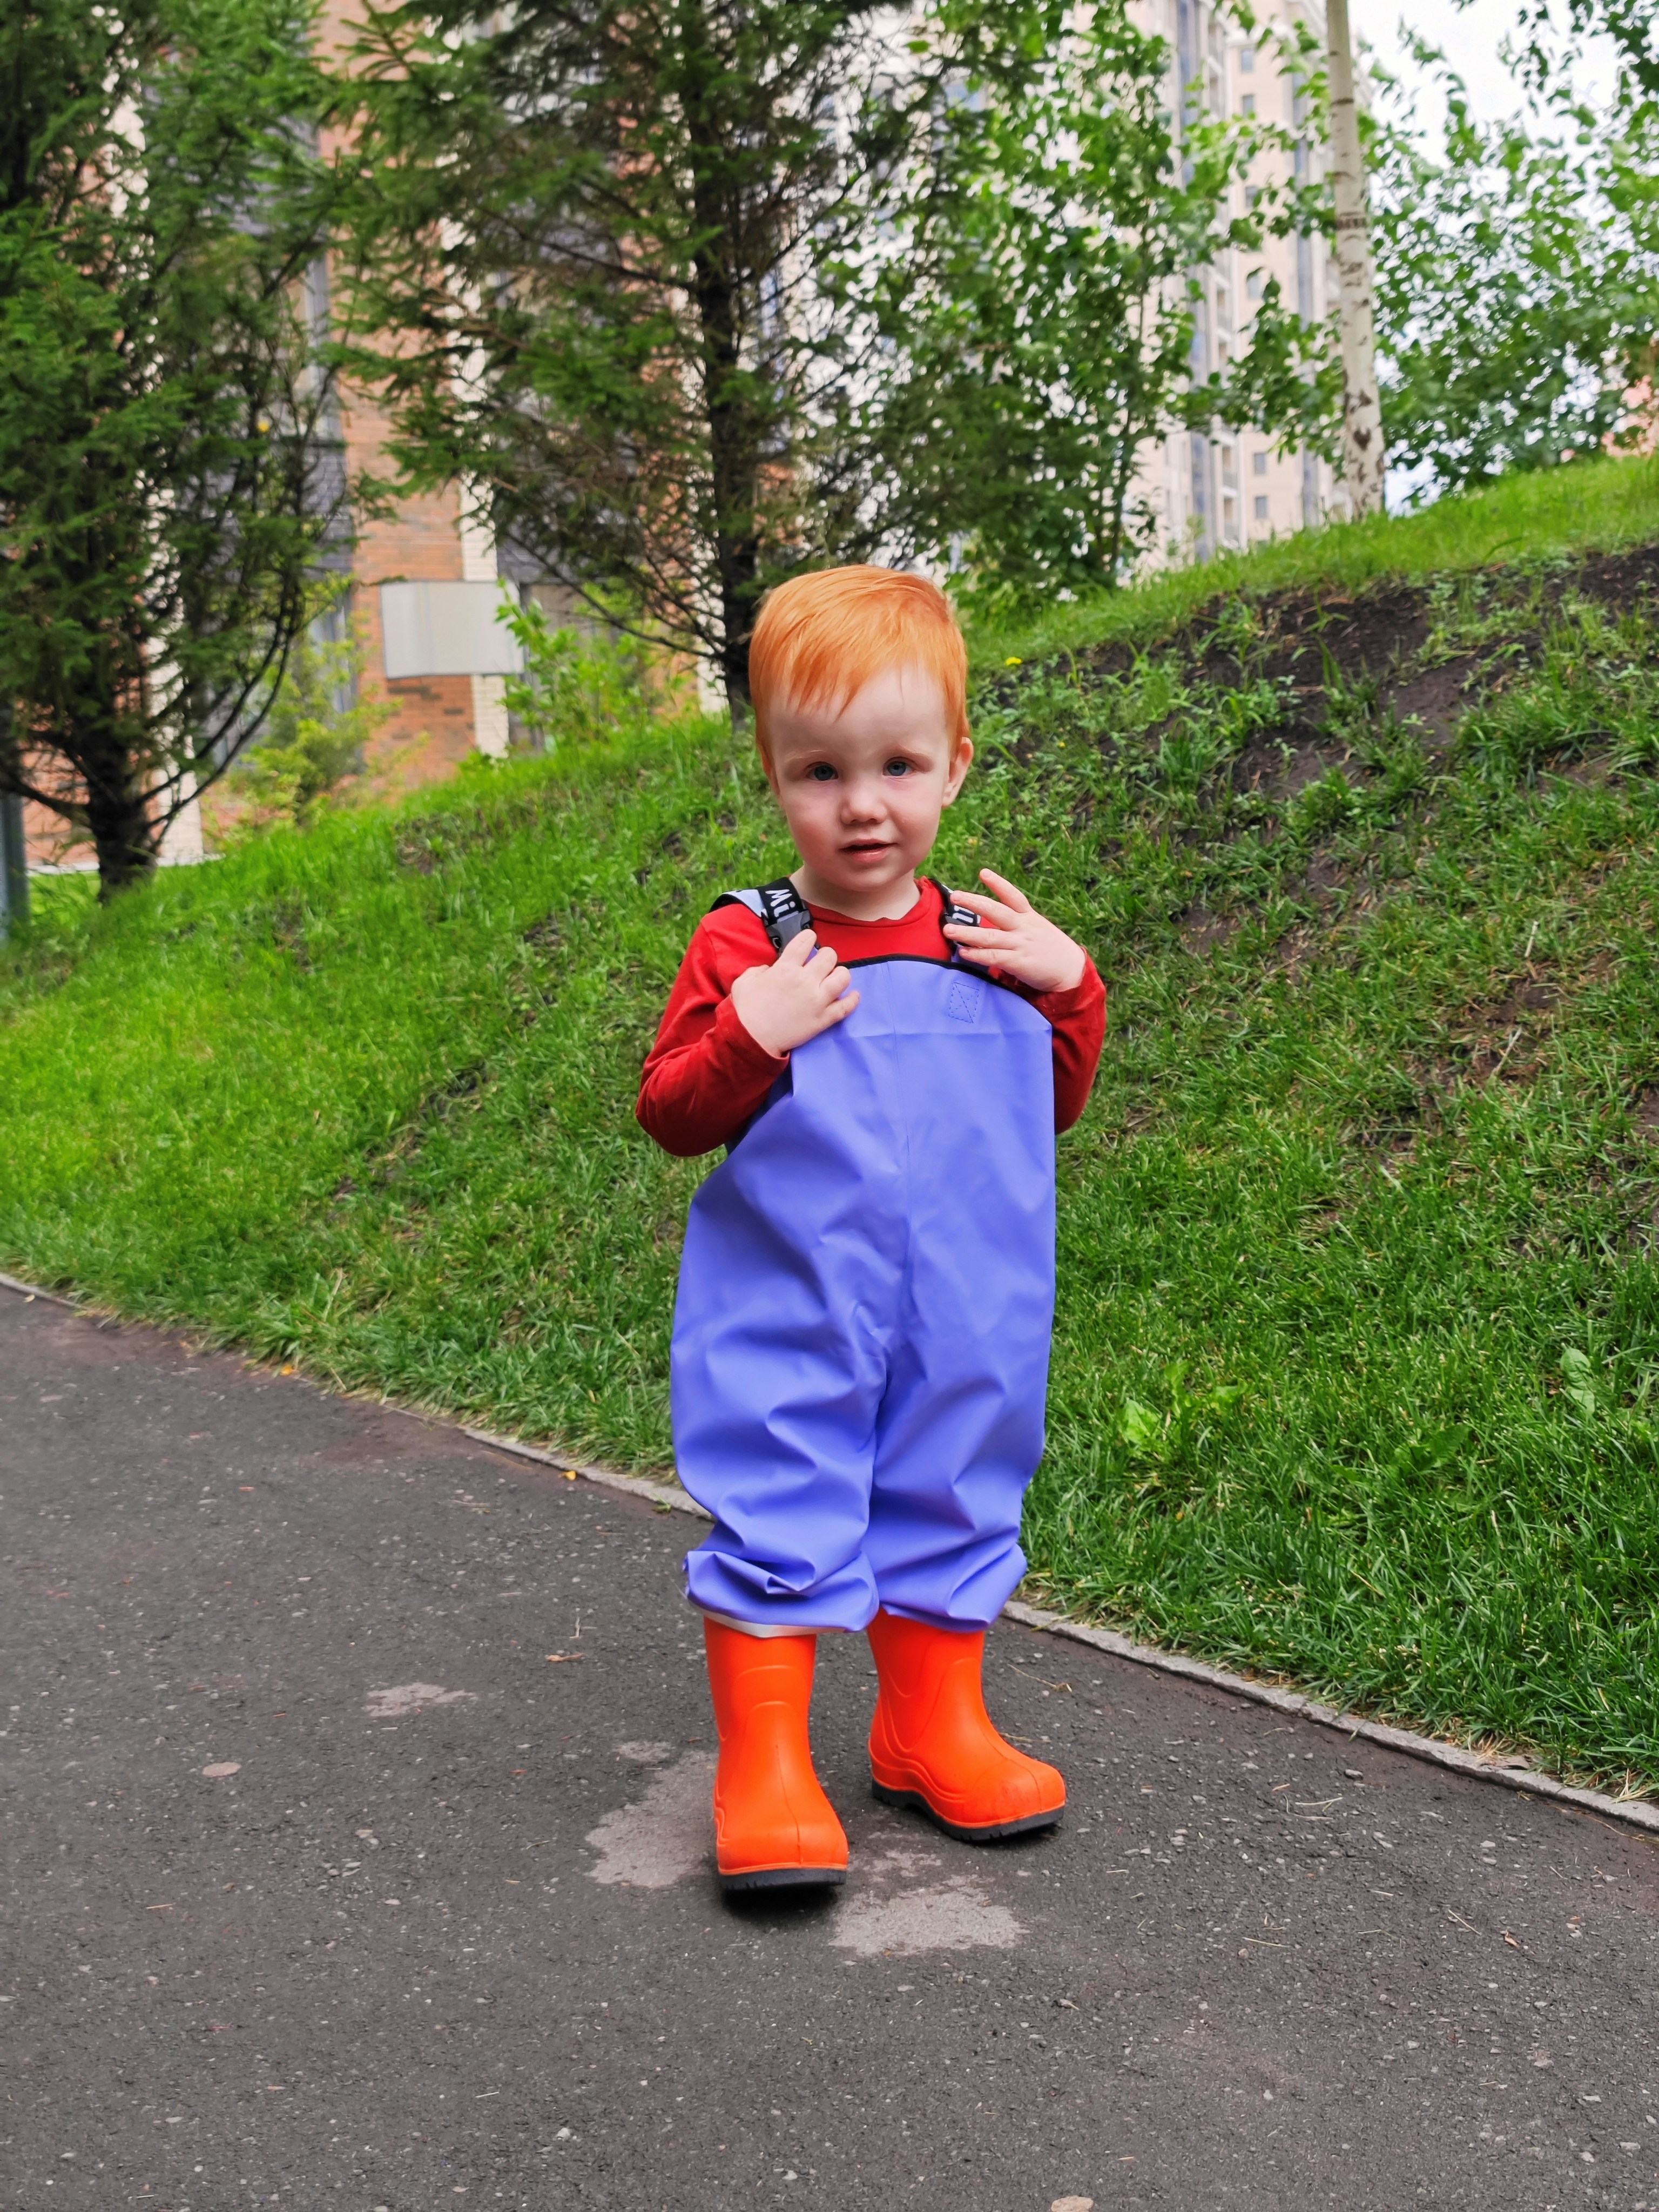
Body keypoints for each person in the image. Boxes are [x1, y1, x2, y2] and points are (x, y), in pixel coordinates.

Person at [637, 566, 1106, 1891]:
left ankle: (929, 1722)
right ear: (773, 772)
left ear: (955, 764)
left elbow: (1048, 1104)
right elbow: (672, 1113)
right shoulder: (749, 941)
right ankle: (767, 1759)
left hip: (970, 1301)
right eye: (818, 769)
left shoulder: (984, 940)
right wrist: (749, 1034)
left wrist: (1073, 990)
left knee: (955, 1478)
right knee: (783, 1486)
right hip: (796, 1298)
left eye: (898, 764)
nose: (861, 804)